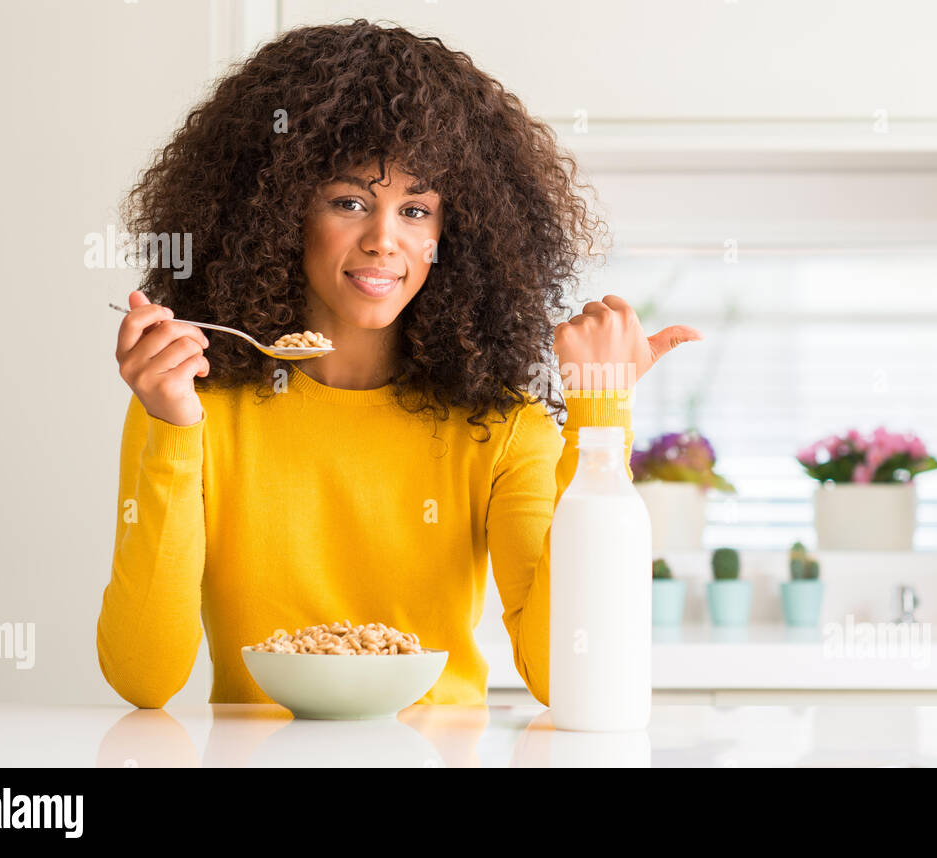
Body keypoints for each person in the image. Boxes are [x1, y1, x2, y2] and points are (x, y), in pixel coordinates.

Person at [99, 19, 700, 708]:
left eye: (416, 210)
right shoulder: (188, 401)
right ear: (277, 210)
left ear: (454, 233)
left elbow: (567, 675)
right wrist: (172, 432)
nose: (385, 240)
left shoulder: (500, 421)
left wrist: (601, 411)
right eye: (350, 201)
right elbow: (143, 677)